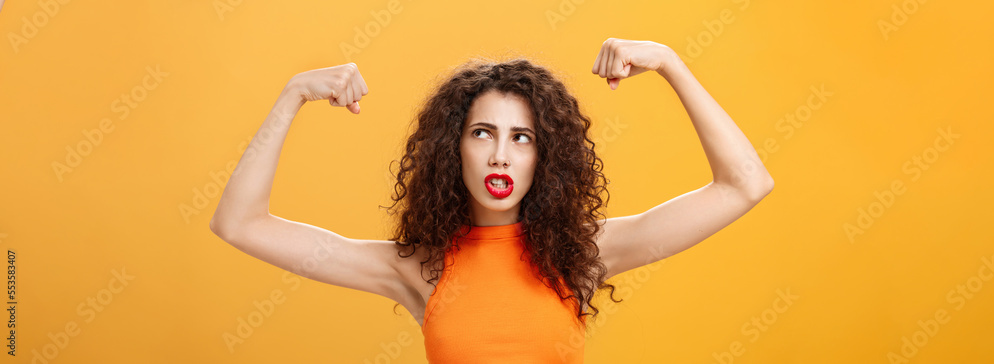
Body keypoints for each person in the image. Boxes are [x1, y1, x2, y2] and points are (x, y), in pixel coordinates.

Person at [210, 38, 774, 363]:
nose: (500, 154)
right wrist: (292, 96)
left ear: (542, 157)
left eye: (520, 137)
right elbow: (240, 224)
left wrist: (670, 62)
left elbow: (744, 184)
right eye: (482, 133)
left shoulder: (583, 254)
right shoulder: (418, 268)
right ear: (452, 149)